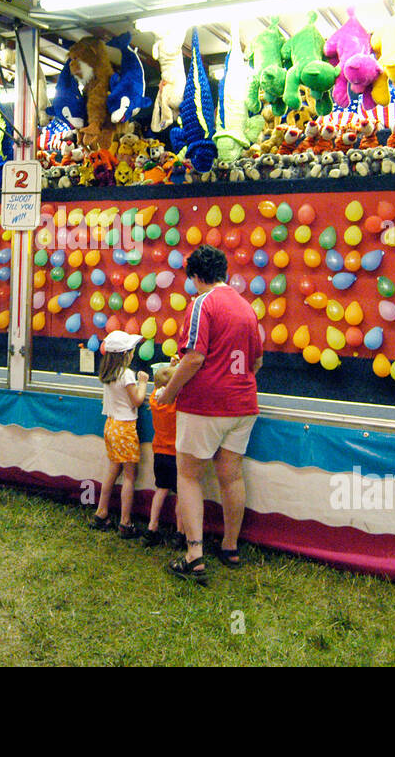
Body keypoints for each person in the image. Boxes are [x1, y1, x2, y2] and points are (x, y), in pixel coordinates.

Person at [152, 245, 262, 583]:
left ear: (196, 276)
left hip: (205, 405)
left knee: (188, 476)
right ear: (225, 272)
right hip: (243, 404)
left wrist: (168, 393)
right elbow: (256, 362)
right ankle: (230, 547)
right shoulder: (247, 308)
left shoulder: (202, 303)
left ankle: (194, 554)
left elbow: (195, 357)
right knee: (231, 475)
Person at [89, 330, 149, 539]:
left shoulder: (108, 372)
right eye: (131, 350)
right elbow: (138, 400)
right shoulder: (127, 374)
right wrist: (143, 382)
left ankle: (101, 512)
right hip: (125, 428)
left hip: (111, 425)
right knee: (130, 476)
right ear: (125, 354)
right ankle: (125, 522)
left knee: (113, 469)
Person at [142, 363, 183, 548]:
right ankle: (180, 532)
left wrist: (171, 368)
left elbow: (160, 386)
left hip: (159, 453)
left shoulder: (153, 400)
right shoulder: (177, 405)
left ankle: (152, 527)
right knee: (182, 495)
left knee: (161, 490)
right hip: (177, 455)